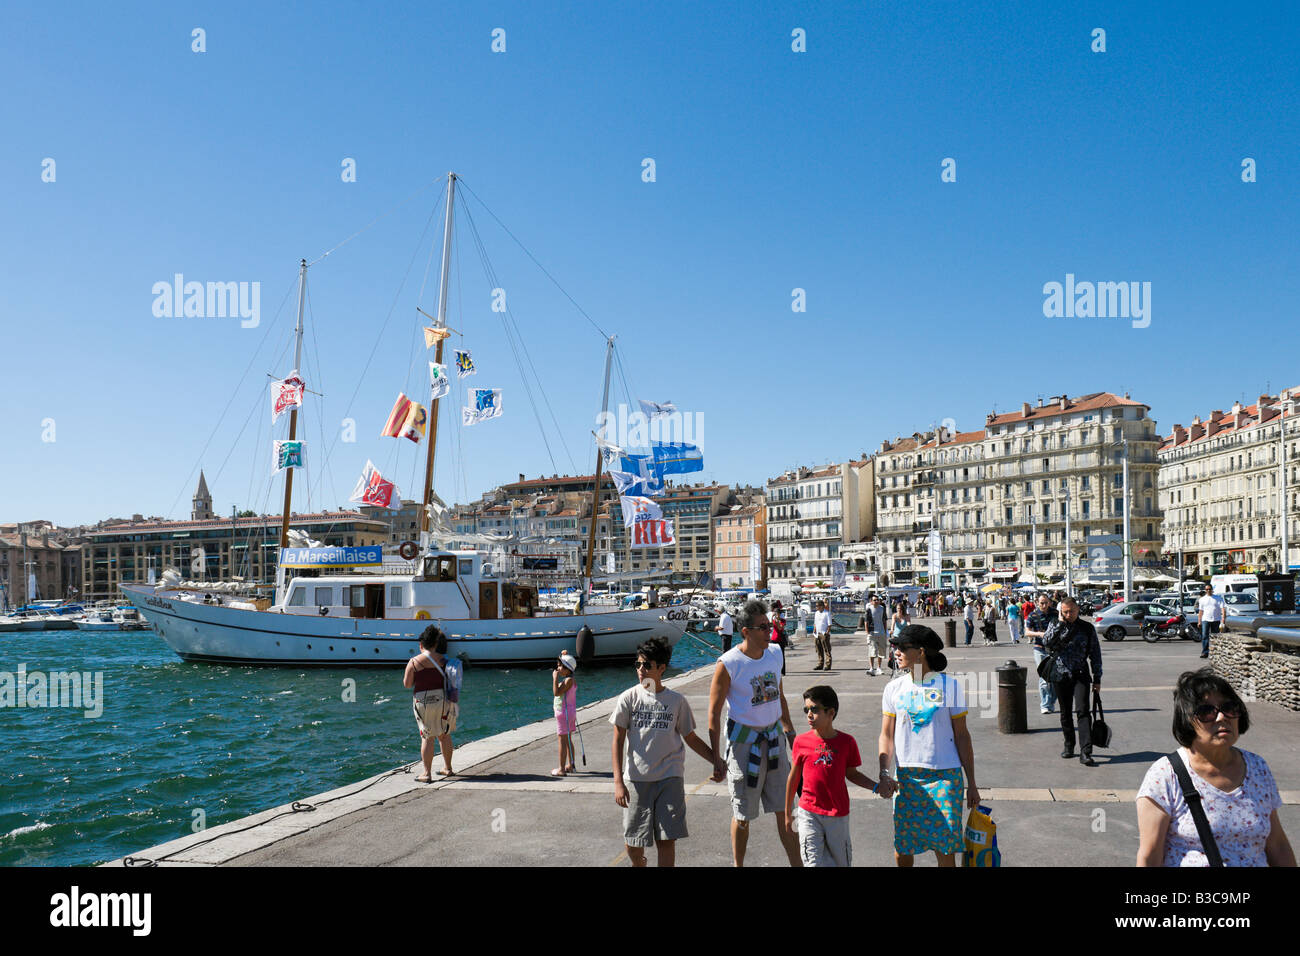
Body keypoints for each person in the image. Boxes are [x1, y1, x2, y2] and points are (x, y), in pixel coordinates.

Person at [1136, 669, 1295, 867]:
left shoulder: (1257, 767)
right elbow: (1150, 856)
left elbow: (1277, 844)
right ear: (1187, 721)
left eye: (1229, 708)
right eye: (1206, 712)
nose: (1221, 717)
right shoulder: (1165, 775)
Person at [611, 636, 724, 867]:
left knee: (666, 839)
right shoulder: (628, 699)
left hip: (669, 778)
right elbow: (618, 740)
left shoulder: (676, 701)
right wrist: (618, 782)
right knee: (633, 840)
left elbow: (690, 738)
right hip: (637, 779)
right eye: (638, 664)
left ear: (661, 668)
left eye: (647, 665)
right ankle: (638, 862)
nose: (641, 670)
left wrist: (717, 760)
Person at [708, 598, 802, 867]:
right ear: (746, 631)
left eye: (768, 624)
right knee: (742, 814)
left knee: (785, 810)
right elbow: (714, 713)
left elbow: (779, 696)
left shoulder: (774, 653)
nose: (769, 630)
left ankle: (797, 863)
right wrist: (717, 757)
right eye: (762, 627)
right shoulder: (729, 663)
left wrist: (790, 730)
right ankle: (739, 864)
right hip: (743, 745)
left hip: (774, 741)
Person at [878, 624, 980, 867]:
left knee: (945, 849)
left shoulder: (950, 685)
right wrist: (884, 772)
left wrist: (972, 783)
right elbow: (886, 735)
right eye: (895, 647)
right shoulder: (893, 688)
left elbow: (962, 736)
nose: (896, 652)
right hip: (906, 779)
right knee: (903, 849)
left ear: (921, 652)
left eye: (902, 647)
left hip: (945, 777)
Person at [783, 684, 883, 866]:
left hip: (837, 814)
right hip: (808, 812)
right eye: (806, 709)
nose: (809, 714)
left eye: (814, 709)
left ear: (831, 712)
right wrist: (788, 812)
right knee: (812, 862)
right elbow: (793, 777)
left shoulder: (847, 742)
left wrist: (875, 787)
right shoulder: (801, 741)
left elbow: (852, 774)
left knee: (841, 862)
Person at [1043, 596, 1103, 766]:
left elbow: (1095, 654)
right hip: (1060, 675)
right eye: (1066, 612)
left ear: (1078, 610)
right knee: (1065, 712)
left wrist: (1097, 678)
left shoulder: (1087, 628)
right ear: (1061, 612)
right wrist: (1060, 624)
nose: (1069, 614)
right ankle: (1069, 745)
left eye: (1072, 611)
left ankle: (1086, 751)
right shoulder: (1055, 624)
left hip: (1081, 674)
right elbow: (1046, 641)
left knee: (1083, 711)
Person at [403, 625, 458, 780]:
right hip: (443, 700)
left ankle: (426, 773)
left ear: (421, 645)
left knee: (427, 736)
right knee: (444, 734)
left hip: (423, 701)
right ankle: (448, 768)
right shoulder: (443, 660)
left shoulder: (414, 662)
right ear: (435, 643)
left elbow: (407, 684)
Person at [1025, 593, 1058, 714]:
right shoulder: (1033, 615)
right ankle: (1045, 705)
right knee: (1044, 678)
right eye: (1041, 603)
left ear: (1049, 602)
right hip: (1039, 649)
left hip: (1054, 649)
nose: (1044, 605)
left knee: (1054, 678)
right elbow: (1027, 632)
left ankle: (1051, 702)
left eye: (1046, 602)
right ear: (1037, 603)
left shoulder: (1055, 613)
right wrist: (1039, 634)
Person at [551, 651, 578, 776]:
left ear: (568, 669)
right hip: (569, 713)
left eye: (561, 666)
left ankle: (561, 769)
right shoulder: (570, 680)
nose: (558, 668)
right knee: (568, 739)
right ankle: (571, 765)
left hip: (564, 714)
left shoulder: (568, 681)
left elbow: (556, 692)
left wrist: (555, 679)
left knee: (562, 740)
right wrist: (564, 653)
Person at [1196, 585, 1224, 660]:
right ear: (1205, 590)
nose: (1208, 590)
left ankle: (1216, 652)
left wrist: (1223, 619)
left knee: (1215, 636)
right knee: (1205, 636)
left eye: (1209, 589)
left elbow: (1223, 609)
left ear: (1212, 589)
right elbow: (1201, 611)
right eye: (1207, 589)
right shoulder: (1202, 599)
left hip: (1216, 619)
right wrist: (1199, 621)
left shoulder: (1218, 598)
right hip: (1205, 619)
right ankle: (1205, 652)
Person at [866, 594, 888, 677]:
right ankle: (871, 668)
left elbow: (884, 620)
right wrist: (868, 633)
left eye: (877, 600)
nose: (876, 601)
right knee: (872, 650)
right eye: (874, 600)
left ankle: (879, 668)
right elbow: (866, 622)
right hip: (872, 633)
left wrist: (885, 631)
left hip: (881, 632)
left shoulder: (882, 609)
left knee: (881, 651)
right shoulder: (869, 609)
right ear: (871, 601)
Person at [813, 600, 833, 671]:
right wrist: (814, 630)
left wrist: (827, 633)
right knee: (818, 649)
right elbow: (815, 623)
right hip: (817, 634)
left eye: (817, 606)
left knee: (827, 649)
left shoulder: (827, 613)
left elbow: (829, 624)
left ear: (821, 606)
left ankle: (828, 665)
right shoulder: (816, 613)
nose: (816, 607)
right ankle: (820, 664)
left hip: (824, 633)